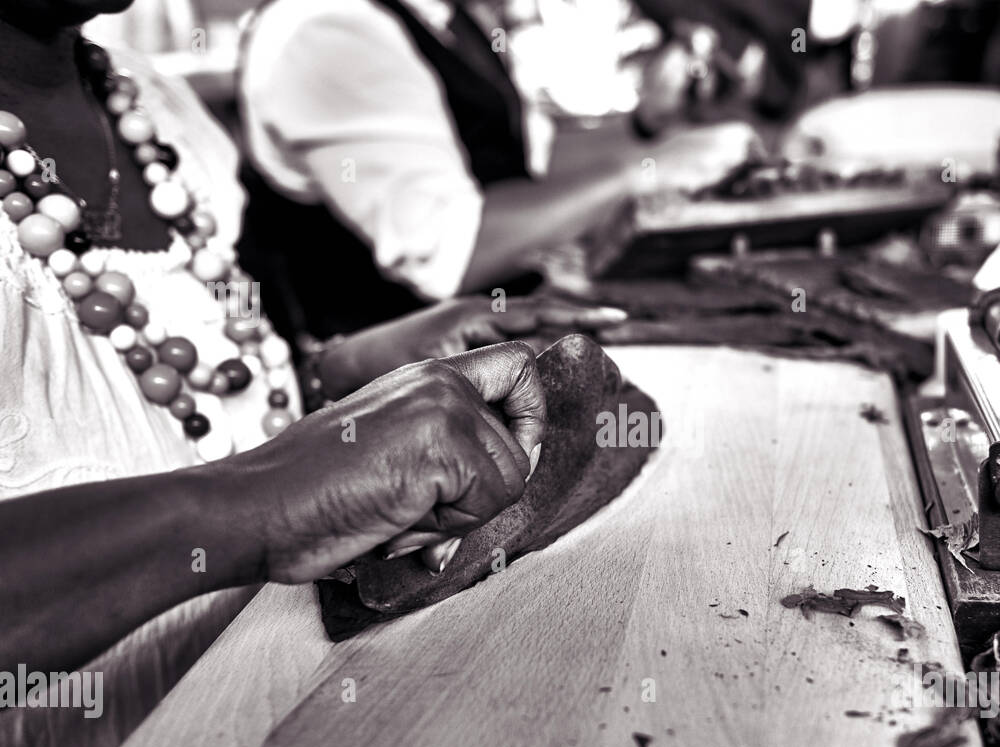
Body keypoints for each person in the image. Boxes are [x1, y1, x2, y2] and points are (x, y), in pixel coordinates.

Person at [0, 0, 616, 679]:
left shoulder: (146, 101)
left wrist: (356, 367)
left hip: (272, 686)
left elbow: (204, 390)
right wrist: (255, 503)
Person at [237, 0, 762, 341]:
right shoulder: (328, 29)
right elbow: (451, 252)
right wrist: (643, 171)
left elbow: (529, 164)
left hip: (509, 342)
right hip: (403, 414)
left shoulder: (446, 16)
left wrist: (650, 130)